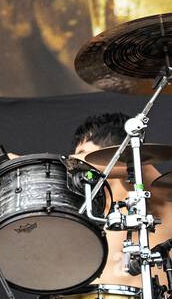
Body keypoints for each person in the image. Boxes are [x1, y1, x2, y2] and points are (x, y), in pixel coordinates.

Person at [72, 113, 172, 288]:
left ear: (114, 151)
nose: (76, 161)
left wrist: (31, 165)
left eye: (82, 154)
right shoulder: (96, 218)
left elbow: (134, 160)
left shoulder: (152, 198)